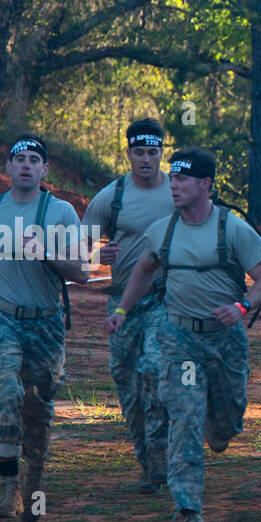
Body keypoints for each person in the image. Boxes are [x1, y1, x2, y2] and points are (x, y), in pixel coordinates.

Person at [106, 147, 261, 522]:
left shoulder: (232, 229)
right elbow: (144, 270)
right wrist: (122, 310)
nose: (175, 185)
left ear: (205, 185)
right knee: (184, 415)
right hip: (179, 339)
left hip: (224, 341)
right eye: (173, 178)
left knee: (225, 423)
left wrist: (241, 306)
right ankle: (189, 514)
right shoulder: (162, 231)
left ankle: (221, 431)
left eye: (183, 179)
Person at [0, 133, 88, 522]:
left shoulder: (60, 212)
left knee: (37, 407)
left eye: (34, 159)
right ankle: (8, 486)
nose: (26, 164)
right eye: (19, 158)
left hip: (45, 323)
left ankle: (35, 477)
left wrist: (46, 253)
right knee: (5, 388)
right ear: (8, 167)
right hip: (0, 318)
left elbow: (81, 273)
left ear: (45, 170)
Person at [81, 117, 175, 493]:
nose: (147, 160)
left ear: (161, 153)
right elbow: (77, 249)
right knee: (129, 385)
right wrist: (96, 253)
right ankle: (147, 460)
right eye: (139, 153)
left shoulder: (178, 191)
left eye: (153, 152)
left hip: (166, 300)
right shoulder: (112, 196)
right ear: (128, 154)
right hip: (122, 302)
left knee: (154, 371)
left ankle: (162, 456)